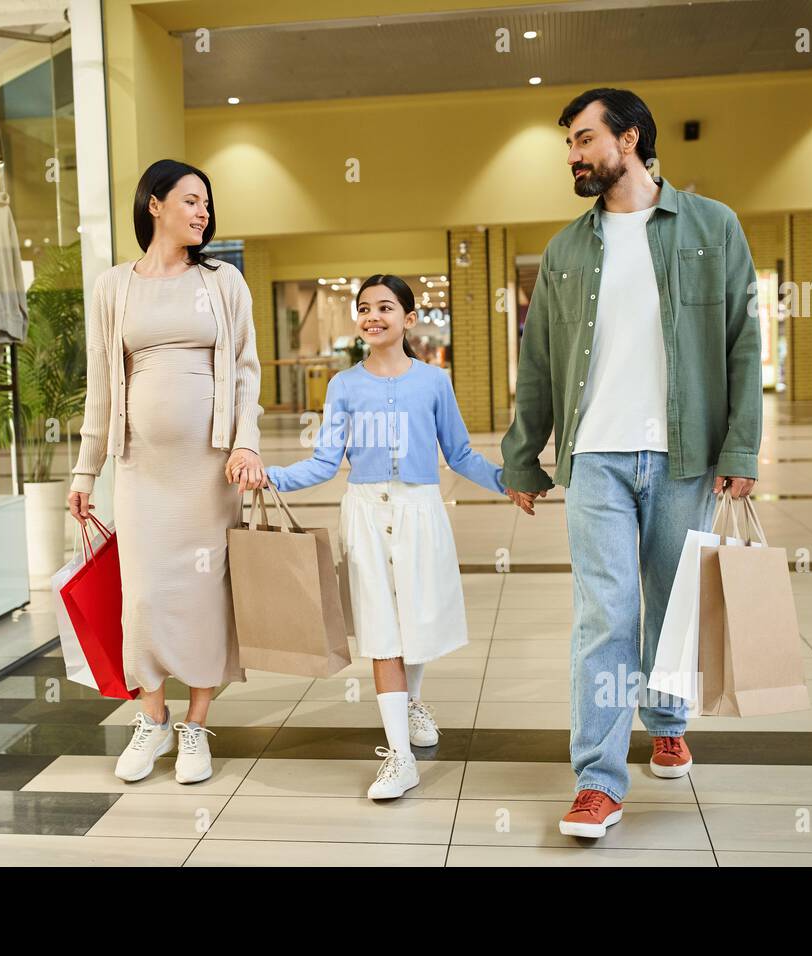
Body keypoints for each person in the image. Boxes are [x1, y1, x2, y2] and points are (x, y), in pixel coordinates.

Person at [499, 88, 763, 839]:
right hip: (596, 459)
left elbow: (746, 338)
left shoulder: (713, 228)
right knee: (604, 617)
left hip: (685, 456)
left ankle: (669, 720)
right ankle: (599, 781)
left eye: (584, 140)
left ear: (631, 138)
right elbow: (540, 363)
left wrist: (741, 447)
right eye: (571, 146)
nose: (575, 158)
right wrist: (525, 458)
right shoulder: (565, 251)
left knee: (674, 606)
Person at [263, 274, 505, 800]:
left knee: (414, 618)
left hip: (420, 509)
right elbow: (327, 462)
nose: (374, 316)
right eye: (365, 308)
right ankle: (399, 757)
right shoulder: (343, 386)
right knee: (380, 629)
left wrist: (510, 484)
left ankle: (413, 703)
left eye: (386, 307)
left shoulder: (434, 383)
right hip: (366, 512)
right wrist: (270, 475)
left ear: (408, 319)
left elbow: (459, 454)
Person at [67, 159, 267, 785]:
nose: (203, 211)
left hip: (210, 473)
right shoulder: (113, 288)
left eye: (207, 202)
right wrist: (84, 469)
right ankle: (151, 719)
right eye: (190, 199)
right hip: (142, 473)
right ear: (154, 204)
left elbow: (244, 371)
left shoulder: (224, 282)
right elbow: (101, 384)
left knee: (206, 595)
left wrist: (247, 443)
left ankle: (196, 726)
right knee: (145, 597)